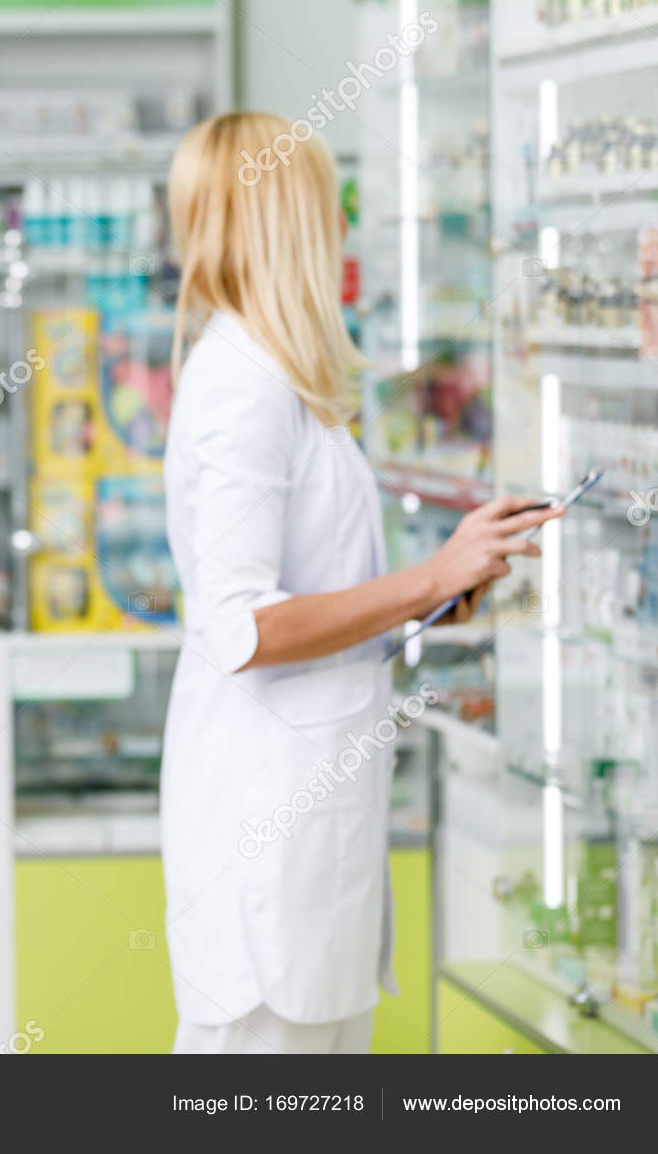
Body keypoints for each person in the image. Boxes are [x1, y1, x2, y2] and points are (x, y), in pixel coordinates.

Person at [158, 113, 560, 1054]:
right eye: (328, 204)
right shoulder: (240, 388)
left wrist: (441, 590)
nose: (341, 227)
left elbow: (316, 591)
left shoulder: (283, 377)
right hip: (268, 828)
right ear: (287, 217)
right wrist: (426, 575)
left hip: (314, 820)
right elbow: (244, 628)